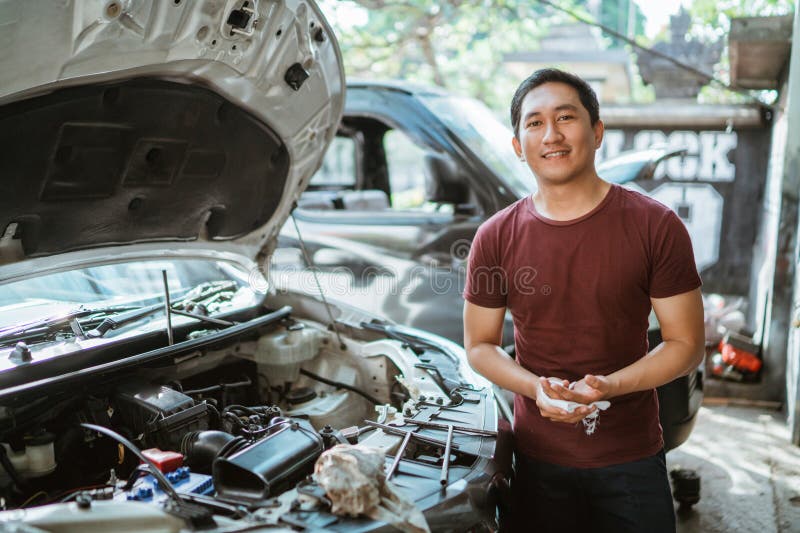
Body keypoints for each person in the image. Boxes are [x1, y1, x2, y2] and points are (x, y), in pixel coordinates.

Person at [462, 68, 704, 532]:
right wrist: (534, 388)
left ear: (596, 132)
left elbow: (686, 343)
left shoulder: (655, 225)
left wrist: (609, 387)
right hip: (535, 460)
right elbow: (479, 346)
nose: (551, 135)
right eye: (534, 123)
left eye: (565, 117)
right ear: (517, 145)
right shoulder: (495, 237)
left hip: (631, 457)